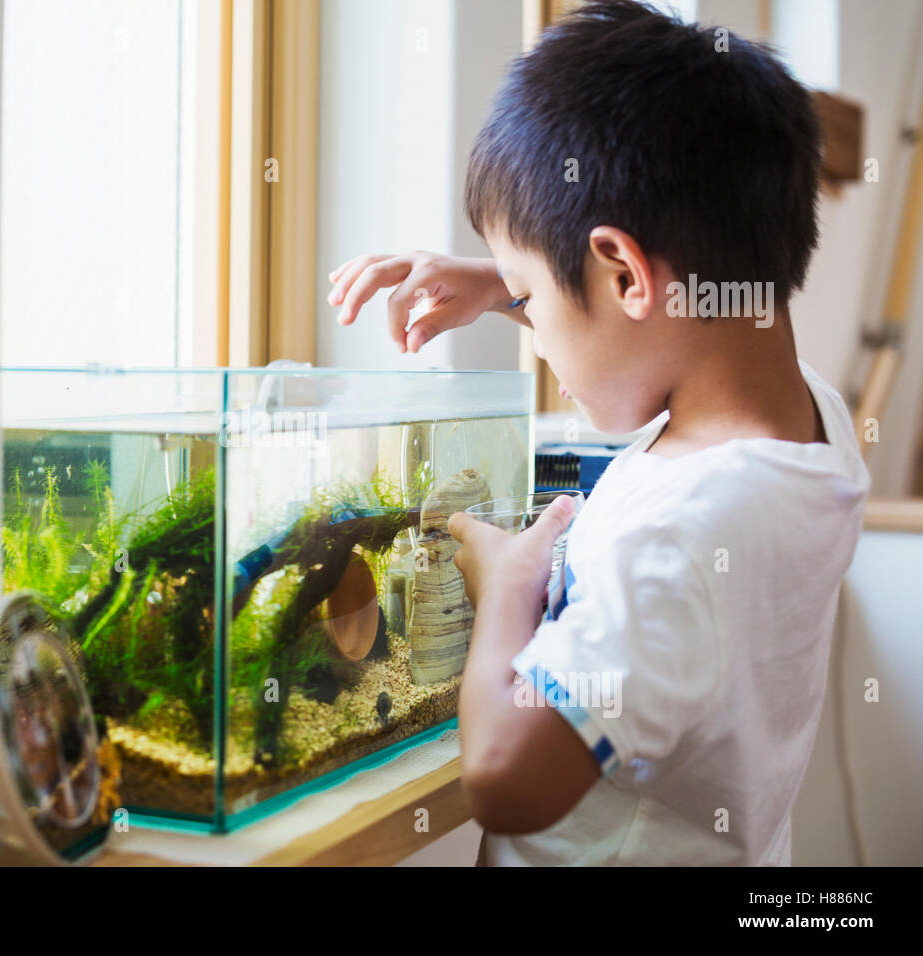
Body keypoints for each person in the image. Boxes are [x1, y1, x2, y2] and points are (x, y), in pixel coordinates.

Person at [326, 0, 870, 865]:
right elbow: (675, 309)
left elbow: (505, 777)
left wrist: (506, 586)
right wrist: (501, 281)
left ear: (623, 272)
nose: (531, 331)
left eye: (531, 301)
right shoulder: (808, 420)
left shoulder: (675, 542)